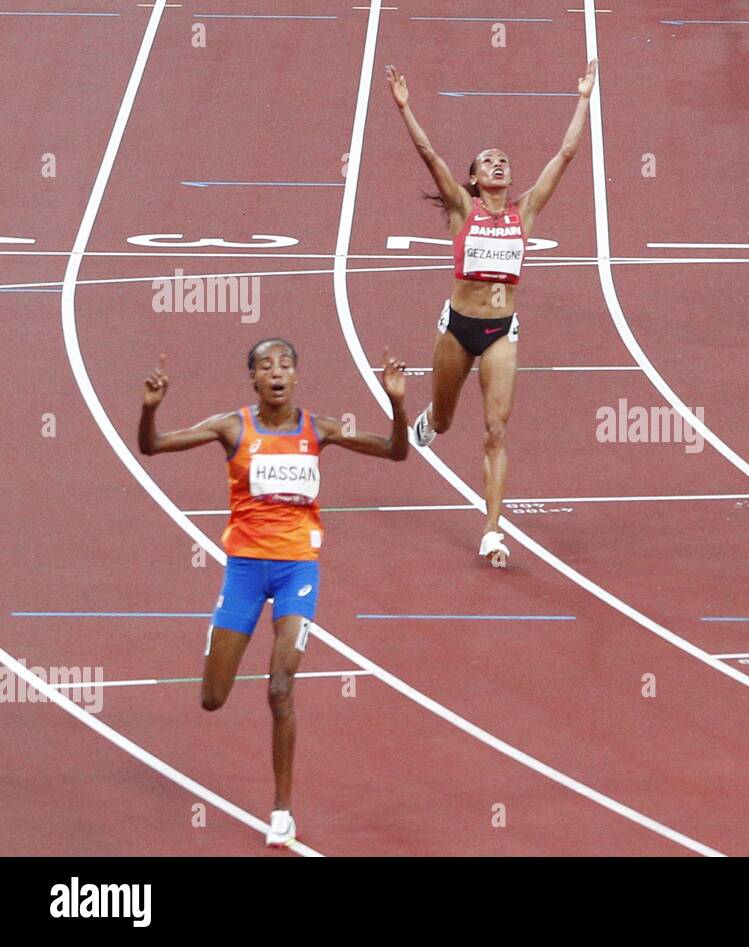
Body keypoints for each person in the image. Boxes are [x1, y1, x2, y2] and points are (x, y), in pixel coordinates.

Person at [138, 339, 409, 845]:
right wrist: (150, 411)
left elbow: (396, 451)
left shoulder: (319, 429)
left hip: (297, 570)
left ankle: (282, 809)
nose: (277, 372)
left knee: (280, 687)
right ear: (254, 379)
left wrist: (395, 401)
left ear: (297, 376)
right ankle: (219, 640)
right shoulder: (231, 427)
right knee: (212, 699)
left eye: (285, 364)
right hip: (244, 569)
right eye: (266, 366)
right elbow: (151, 447)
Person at [386, 60, 597, 565]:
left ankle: (491, 531)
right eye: (488, 161)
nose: (499, 164)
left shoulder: (525, 211)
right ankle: (432, 421)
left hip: (502, 331)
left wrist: (583, 99)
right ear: (475, 179)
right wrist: (405, 107)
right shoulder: (463, 209)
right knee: (446, 416)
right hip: (457, 330)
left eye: (504, 159)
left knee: (496, 430)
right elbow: (427, 153)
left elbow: (566, 154)